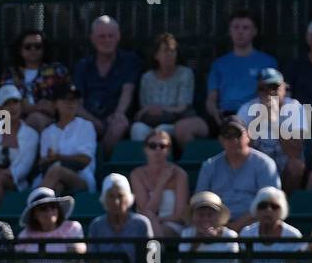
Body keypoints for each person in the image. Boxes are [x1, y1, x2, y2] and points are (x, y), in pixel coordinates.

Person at [196, 117, 281, 229]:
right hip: (217, 227)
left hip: (255, 227)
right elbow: (201, 200)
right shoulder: (209, 166)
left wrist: (236, 226)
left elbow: (271, 203)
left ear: (248, 136)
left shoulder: (264, 164)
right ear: (221, 140)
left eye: (237, 135)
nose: (234, 140)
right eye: (228, 136)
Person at [74, 15, 140, 155]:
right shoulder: (83, 66)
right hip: (89, 119)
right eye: (102, 36)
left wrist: (118, 114)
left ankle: (101, 163)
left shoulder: (129, 61)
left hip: (115, 116)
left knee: (118, 125)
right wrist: (95, 122)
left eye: (111, 36)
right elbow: (76, 104)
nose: (107, 40)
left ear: (118, 37)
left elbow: (127, 91)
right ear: (93, 39)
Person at [237, 68, 306, 190]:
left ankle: (287, 203)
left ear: (284, 88)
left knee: (296, 165)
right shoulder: (246, 109)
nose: (269, 92)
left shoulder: (294, 107)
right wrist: (257, 121)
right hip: (257, 163)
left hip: (284, 163)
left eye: (274, 87)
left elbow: (295, 151)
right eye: (263, 88)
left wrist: (275, 122)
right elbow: (241, 152)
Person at [131, 33, 205, 146]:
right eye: (166, 51)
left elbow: (182, 107)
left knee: (161, 130)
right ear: (156, 55)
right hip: (151, 122)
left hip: (177, 122)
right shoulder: (147, 77)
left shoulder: (185, 74)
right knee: (137, 129)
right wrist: (149, 111)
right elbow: (145, 107)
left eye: (172, 51)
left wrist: (161, 109)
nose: (170, 54)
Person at [0, 85, 41, 196]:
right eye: (7, 104)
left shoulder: (31, 134)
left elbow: (24, 167)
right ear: (0, 108)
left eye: (15, 102)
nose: (12, 107)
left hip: (13, 181)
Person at [206, 9, 273, 118]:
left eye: (245, 28)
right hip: (226, 115)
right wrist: (216, 115)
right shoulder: (219, 64)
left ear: (254, 31)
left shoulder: (268, 62)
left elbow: (271, 95)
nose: (240, 32)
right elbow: (211, 100)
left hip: (255, 116)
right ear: (230, 31)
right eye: (236, 27)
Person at [239, 185, 307, 263]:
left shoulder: (293, 235)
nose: (268, 210)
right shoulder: (246, 233)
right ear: (256, 209)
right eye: (263, 206)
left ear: (282, 210)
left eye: (274, 206)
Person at [40, 80, 99, 195]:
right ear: (55, 103)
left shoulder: (86, 126)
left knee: (56, 169)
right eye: (65, 98)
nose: (70, 102)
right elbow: (43, 163)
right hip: (54, 179)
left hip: (82, 179)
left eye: (73, 99)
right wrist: (50, 159)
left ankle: (34, 205)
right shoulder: (47, 132)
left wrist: (58, 157)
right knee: (58, 186)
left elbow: (85, 160)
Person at [131, 129, 191, 235]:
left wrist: (157, 220)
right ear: (145, 149)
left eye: (162, 146)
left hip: (172, 225)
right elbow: (147, 210)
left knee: (153, 232)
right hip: (146, 224)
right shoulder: (137, 175)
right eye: (153, 146)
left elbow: (180, 216)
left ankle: (156, 250)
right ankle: (157, 250)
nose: (158, 149)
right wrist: (162, 183)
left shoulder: (180, 175)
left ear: (169, 150)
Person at [88, 172, 155, 241]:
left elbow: (153, 251)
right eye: (111, 196)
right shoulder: (96, 226)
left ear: (128, 198)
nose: (116, 202)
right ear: (105, 199)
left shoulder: (142, 223)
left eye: (120, 196)